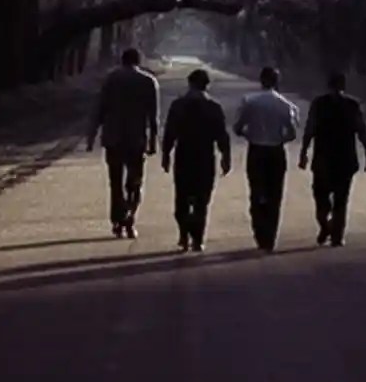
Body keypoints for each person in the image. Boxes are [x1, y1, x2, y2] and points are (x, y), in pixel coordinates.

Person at [87, 48, 160, 239]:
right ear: (138, 60)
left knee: (115, 182)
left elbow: (99, 109)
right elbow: (153, 116)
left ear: (122, 60)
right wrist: (153, 141)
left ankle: (117, 220)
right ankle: (130, 217)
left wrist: (91, 135)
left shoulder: (110, 79)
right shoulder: (148, 81)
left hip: (113, 137)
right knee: (135, 182)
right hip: (136, 139)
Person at [298, 72, 366, 247]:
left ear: (328, 85)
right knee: (340, 200)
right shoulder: (352, 105)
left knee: (322, 199)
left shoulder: (319, 104)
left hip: (324, 160)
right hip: (344, 160)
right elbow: (362, 131)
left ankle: (330, 229)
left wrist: (304, 152)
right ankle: (334, 232)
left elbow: (310, 129)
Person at [161, 69, 231, 252]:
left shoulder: (178, 105)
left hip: (184, 156)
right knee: (202, 200)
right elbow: (222, 135)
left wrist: (166, 155)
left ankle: (184, 235)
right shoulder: (214, 107)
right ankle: (198, 239)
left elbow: (169, 133)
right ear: (207, 85)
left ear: (190, 83)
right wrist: (226, 156)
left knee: (182, 198)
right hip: (205, 157)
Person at [232, 66, 299, 252]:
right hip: (276, 152)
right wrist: (278, 139)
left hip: (256, 151)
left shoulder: (250, 102)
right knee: (275, 194)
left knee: (256, 191)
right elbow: (292, 134)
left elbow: (238, 128)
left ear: (261, 80)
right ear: (277, 82)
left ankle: (259, 231)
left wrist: (249, 135)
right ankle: (270, 237)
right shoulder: (286, 105)